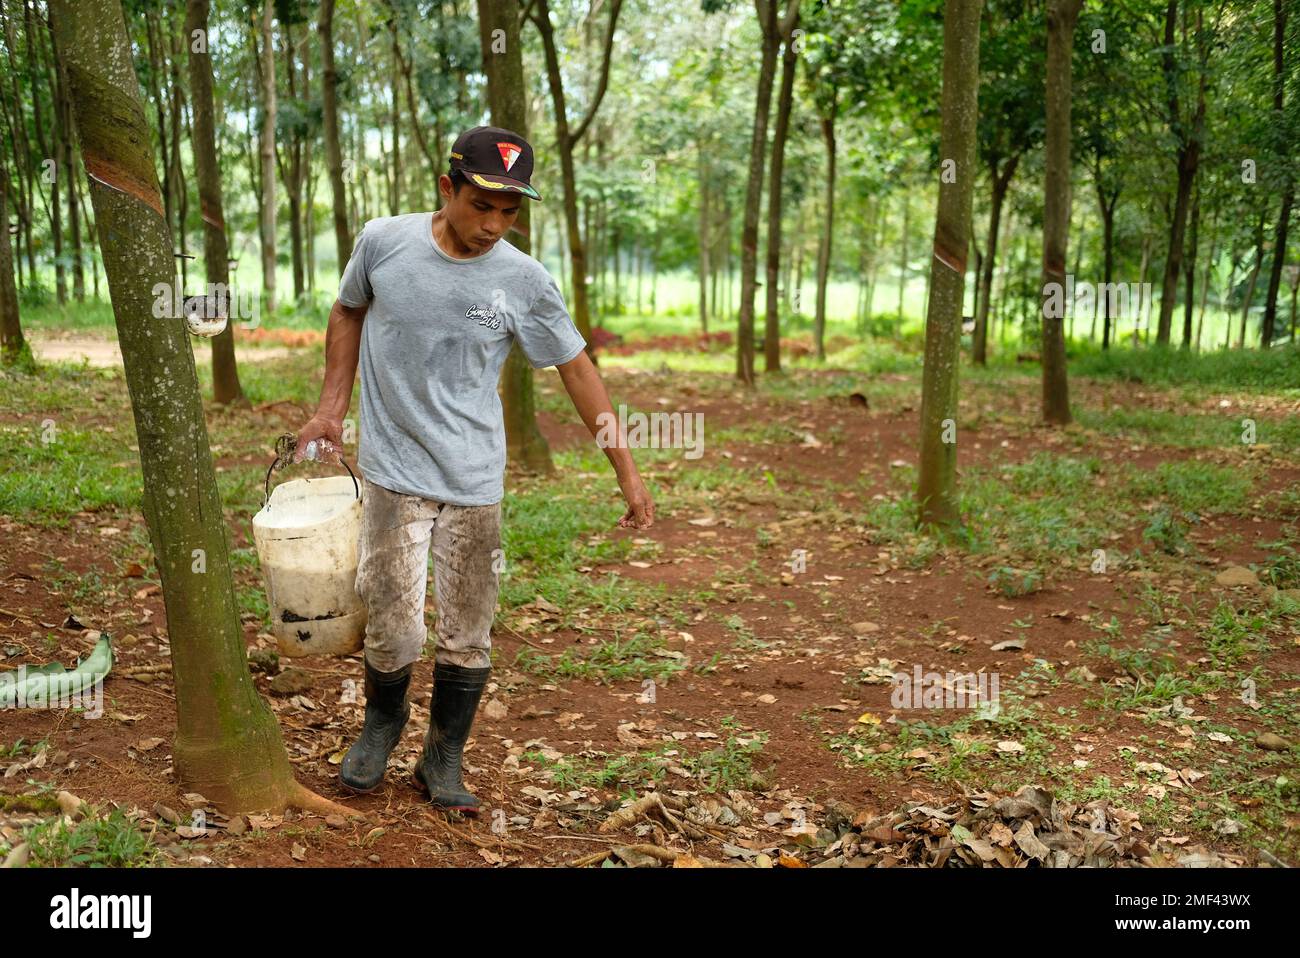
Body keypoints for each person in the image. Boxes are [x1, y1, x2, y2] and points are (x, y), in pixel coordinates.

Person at [294, 126, 654, 814]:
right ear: (446, 188)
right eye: (481, 204)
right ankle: (381, 723)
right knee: (395, 625)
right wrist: (330, 409)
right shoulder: (383, 242)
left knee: (468, 627)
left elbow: (577, 367)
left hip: (475, 481)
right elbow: (347, 310)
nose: (494, 225)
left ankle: (444, 754)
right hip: (394, 474)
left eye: (509, 211)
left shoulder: (523, 279)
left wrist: (626, 470)